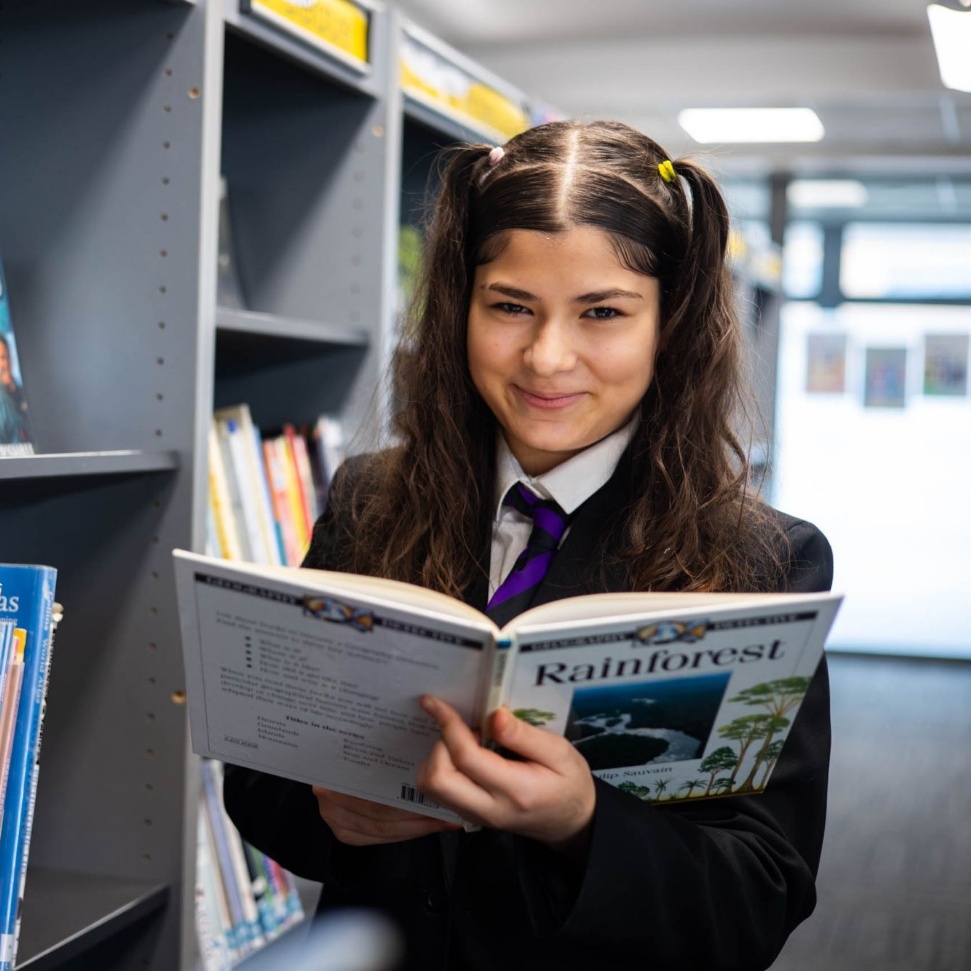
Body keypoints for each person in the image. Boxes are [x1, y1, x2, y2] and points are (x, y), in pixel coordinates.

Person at [223, 119, 834, 971]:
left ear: (671, 325)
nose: (547, 357)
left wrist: (584, 823)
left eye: (602, 313)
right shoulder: (370, 500)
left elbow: (759, 892)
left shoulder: (760, 563)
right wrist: (329, 810)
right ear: (460, 307)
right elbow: (261, 774)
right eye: (510, 306)